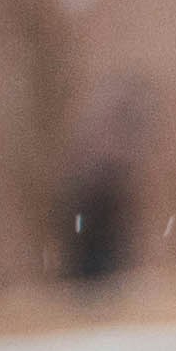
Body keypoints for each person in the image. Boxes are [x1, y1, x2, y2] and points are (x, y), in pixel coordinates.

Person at [54, 76, 159, 299]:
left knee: (99, 272)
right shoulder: (107, 143)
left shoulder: (97, 133)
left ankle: (95, 293)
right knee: (95, 271)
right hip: (93, 217)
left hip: (94, 217)